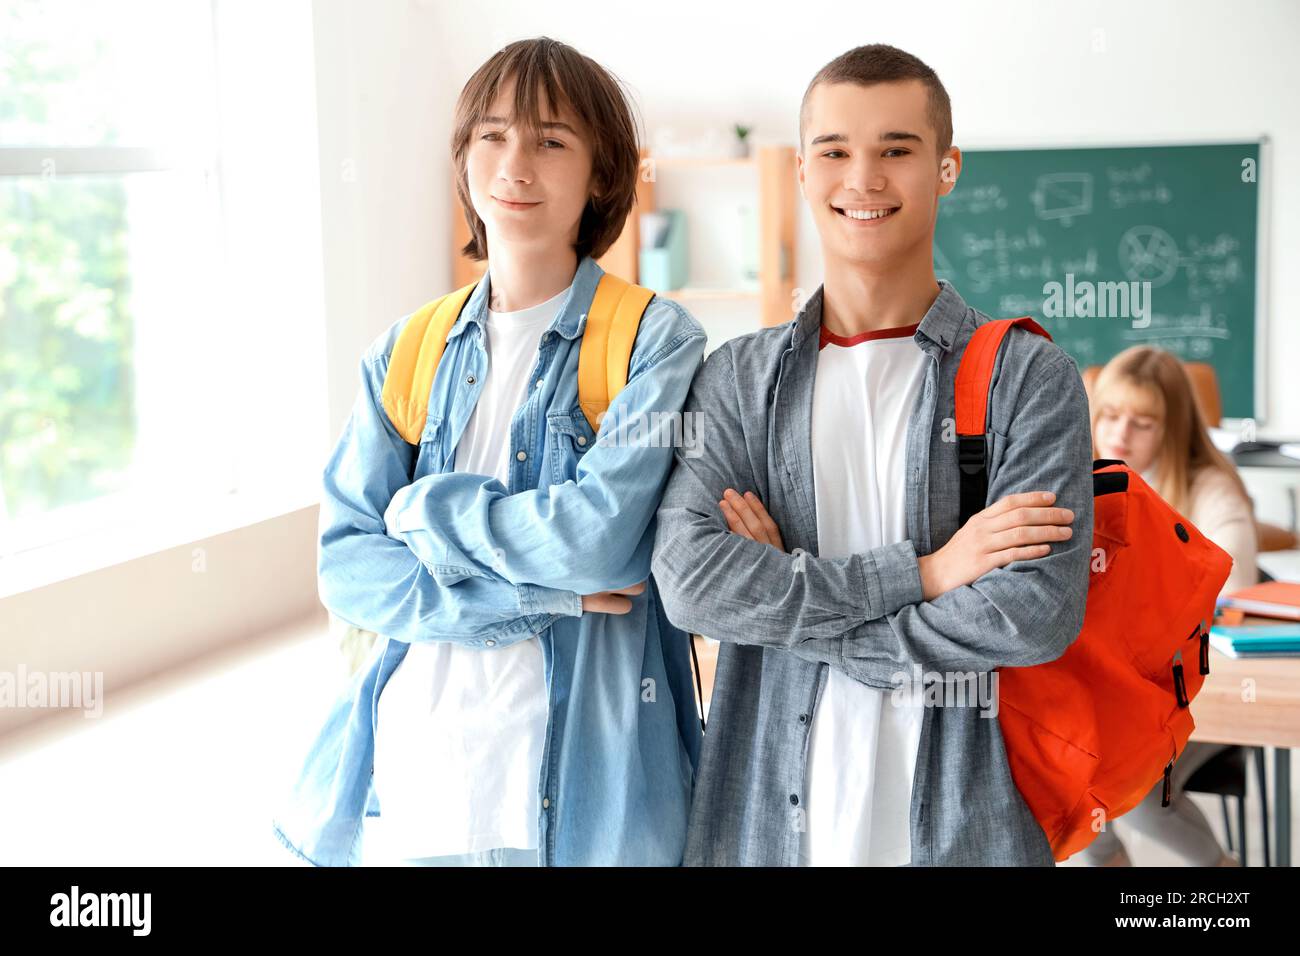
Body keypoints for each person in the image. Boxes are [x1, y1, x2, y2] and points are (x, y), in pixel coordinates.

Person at [650, 44, 1092, 866]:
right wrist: (927, 574)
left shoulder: (1026, 379)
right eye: (834, 152)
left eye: (896, 150)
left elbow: (1034, 613)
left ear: (947, 168)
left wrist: (794, 607)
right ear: (804, 175)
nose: (864, 179)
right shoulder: (736, 380)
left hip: (968, 830)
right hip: (764, 830)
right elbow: (692, 583)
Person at [272, 37, 707, 867]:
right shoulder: (406, 350)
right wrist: (548, 599)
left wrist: (425, 510)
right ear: (465, 158)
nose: (516, 164)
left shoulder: (654, 340)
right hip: (419, 772)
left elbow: (598, 541)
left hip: (588, 787)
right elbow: (347, 569)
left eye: (551, 141)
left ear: (602, 174)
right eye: (493, 136)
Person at [1081, 344, 1256, 866]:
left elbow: (1235, 594)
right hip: (1120, 691)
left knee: (1136, 788)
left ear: (1173, 429)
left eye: (1143, 423)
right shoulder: (1083, 482)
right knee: (1074, 767)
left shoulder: (1211, 491)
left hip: (1200, 694)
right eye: (1109, 416)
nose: (1119, 435)